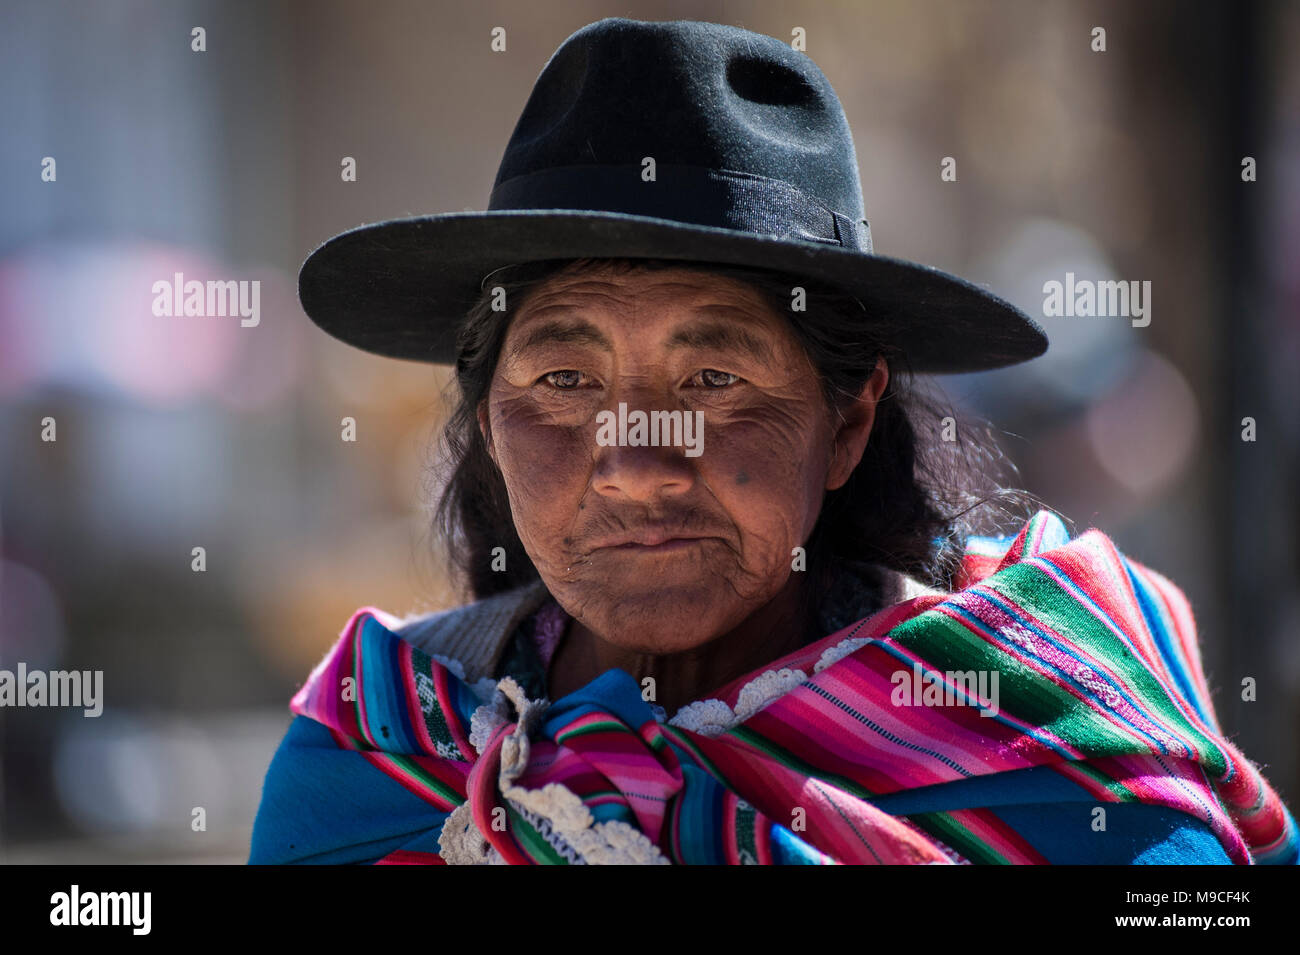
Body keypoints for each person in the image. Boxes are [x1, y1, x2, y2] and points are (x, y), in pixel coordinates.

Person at [249, 17, 1297, 864]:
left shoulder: (1039, 732)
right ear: (489, 426)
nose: (634, 462)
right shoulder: (380, 753)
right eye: (564, 381)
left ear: (844, 424)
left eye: (714, 379)